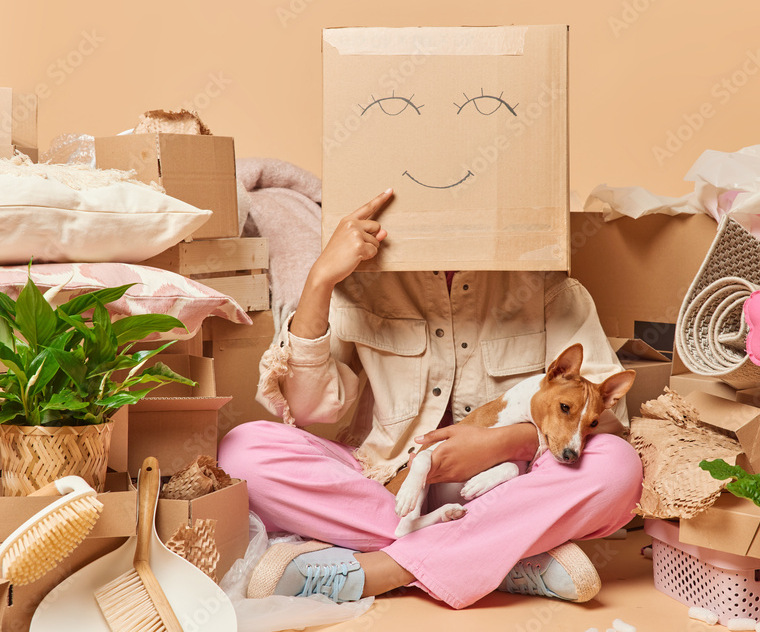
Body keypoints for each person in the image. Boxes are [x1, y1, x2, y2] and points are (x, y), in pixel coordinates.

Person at [218, 188, 643, 609]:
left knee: (617, 467)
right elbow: (308, 409)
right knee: (243, 450)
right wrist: (320, 279)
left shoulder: (548, 284)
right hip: (388, 484)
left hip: (511, 487)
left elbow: (605, 416)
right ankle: (502, 555)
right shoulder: (363, 280)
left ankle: (385, 568)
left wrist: (506, 442)